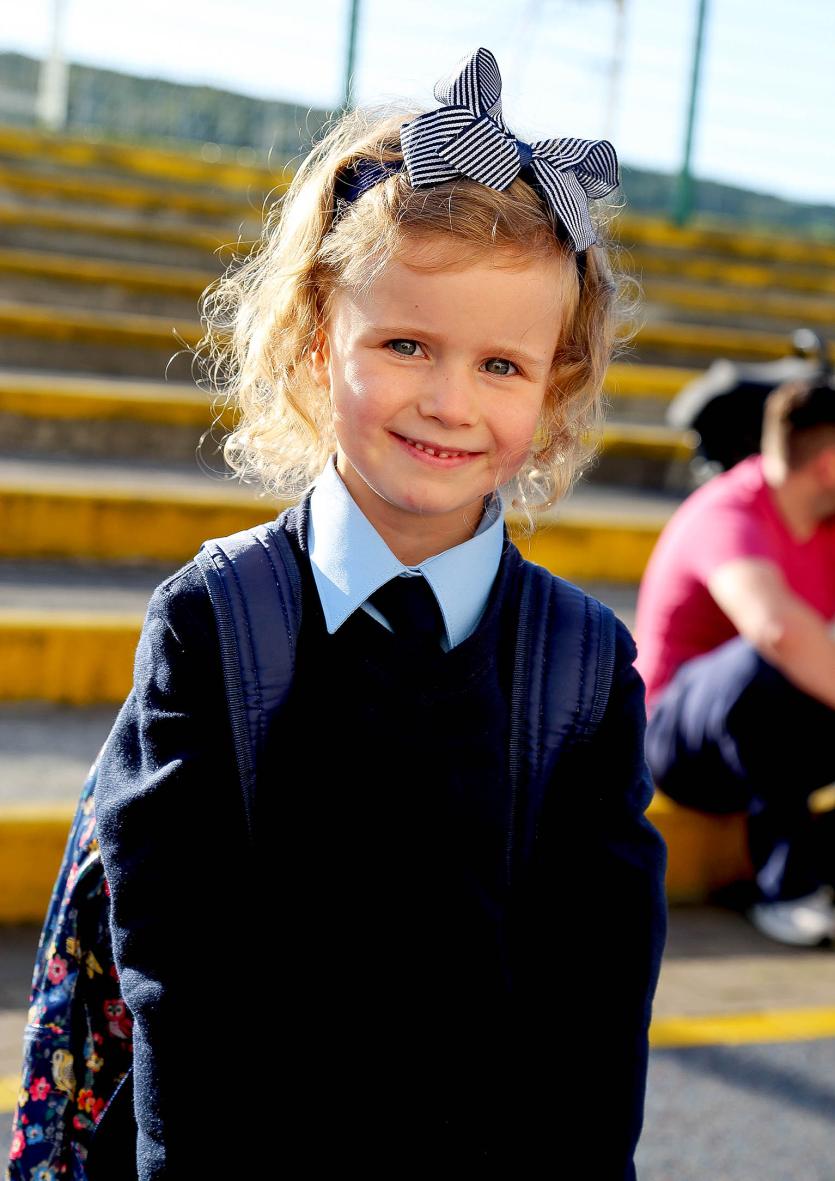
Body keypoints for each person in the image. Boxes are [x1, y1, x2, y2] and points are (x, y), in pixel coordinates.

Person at [89, 48, 667, 1179]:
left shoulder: (581, 668)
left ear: (552, 393)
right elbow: (175, 971)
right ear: (316, 336)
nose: (449, 400)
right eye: (405, 343)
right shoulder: (217, 622)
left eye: (501, 363)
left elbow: (596, 1013)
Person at [635, 375, 835, 946]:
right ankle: (787, 888)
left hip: (777, 739)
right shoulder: (728, 511)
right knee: (766, 662)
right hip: (681, 741)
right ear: (827, 464)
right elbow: (777, 631)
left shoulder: (828, 523)